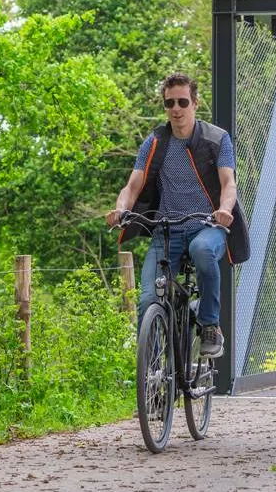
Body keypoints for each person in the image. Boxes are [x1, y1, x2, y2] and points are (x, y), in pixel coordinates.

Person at [107, 73, 250, 358]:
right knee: (149, 299)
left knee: (201, 250)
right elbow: (132, 184)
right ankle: (153, 373)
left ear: (195, 104)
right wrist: (121, 209)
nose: (176, 108)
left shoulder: (217, 139)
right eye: (169, 103)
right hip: (167, 229)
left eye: (183, 102)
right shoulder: (155, 143)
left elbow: (228, 183)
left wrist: (223, 210)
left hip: (207, 226)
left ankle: (210, 325)